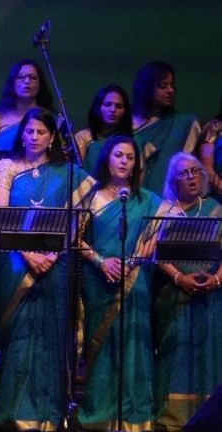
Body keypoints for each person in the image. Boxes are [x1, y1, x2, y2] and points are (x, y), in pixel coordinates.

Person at [0, 107, 91, 431]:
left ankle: (50, 412)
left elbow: (80, 218)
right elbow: (0, 215)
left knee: (51, 336)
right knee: (19, 337)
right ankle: (13, 412)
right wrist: (29, 253)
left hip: (57, 263)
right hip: (15, 263)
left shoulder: (68, 171)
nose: (33, 137)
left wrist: (52, 251)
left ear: (52, 138)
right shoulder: (6, 167)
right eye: (29, 131)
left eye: (41, 132)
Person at [76, 135, 158, 430]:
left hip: (135, 282)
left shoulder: (147, 200)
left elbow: (157, 234)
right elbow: (75, 238)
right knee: (102, 346)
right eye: (119, 155)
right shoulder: (90, 196)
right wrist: (101, 261)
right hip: (99, 282)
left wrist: (132, 261)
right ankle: (100, 413)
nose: (125, 161)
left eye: (130, 157)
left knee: (134, 345)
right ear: (107, 159)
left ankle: (134, 416)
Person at [154, 153, 222, 429]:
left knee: (209, 353)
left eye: (196, 171)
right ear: (173, 180)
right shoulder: (164, 211)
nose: (192, 176)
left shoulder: (216, 209)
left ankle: (210, 417)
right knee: (175, 354)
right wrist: (181, 278)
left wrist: (216, 280)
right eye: (184, 173)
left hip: (213, 297)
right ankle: (175, 419)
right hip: (173, 296)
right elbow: (155, 255)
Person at [132, 62, 201, 194]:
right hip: (134, 199)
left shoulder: (184, 123)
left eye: (172, 85)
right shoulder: (128, 124)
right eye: (163, 86)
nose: (170, 90)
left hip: (170, 202)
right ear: (147, 89)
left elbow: (185, 165)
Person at [0, 60, 53, 150]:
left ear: (40, 83)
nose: (27, 81)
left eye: (33, 78)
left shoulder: (50, 117)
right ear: (12, 82)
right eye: (21, 77)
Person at [73, 85, 136, 177]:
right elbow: (78, 173)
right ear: (98, 107)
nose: (113, 110)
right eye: (108, 104)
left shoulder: (132, 139)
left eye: (119, 106)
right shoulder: (84, 137)